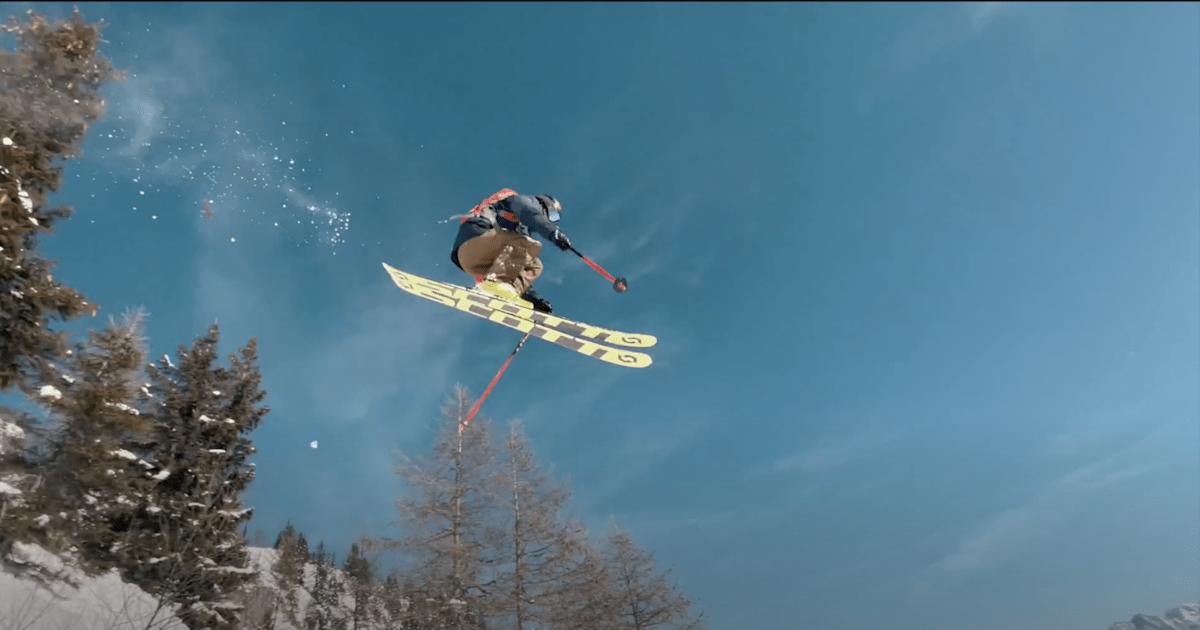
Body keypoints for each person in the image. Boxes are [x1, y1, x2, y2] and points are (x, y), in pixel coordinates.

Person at [449, 189, 572, 314]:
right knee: (528, 244)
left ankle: (506, 290)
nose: (551, 220)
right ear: (546, 205)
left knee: (535, 265)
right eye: (553, 215)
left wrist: (533, 301)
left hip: (475, 262)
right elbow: (530, 213)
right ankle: (494, 284)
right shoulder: (523, 201)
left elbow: (516, 265)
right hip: (473, 243)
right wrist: (553, 232)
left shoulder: (521, 229)